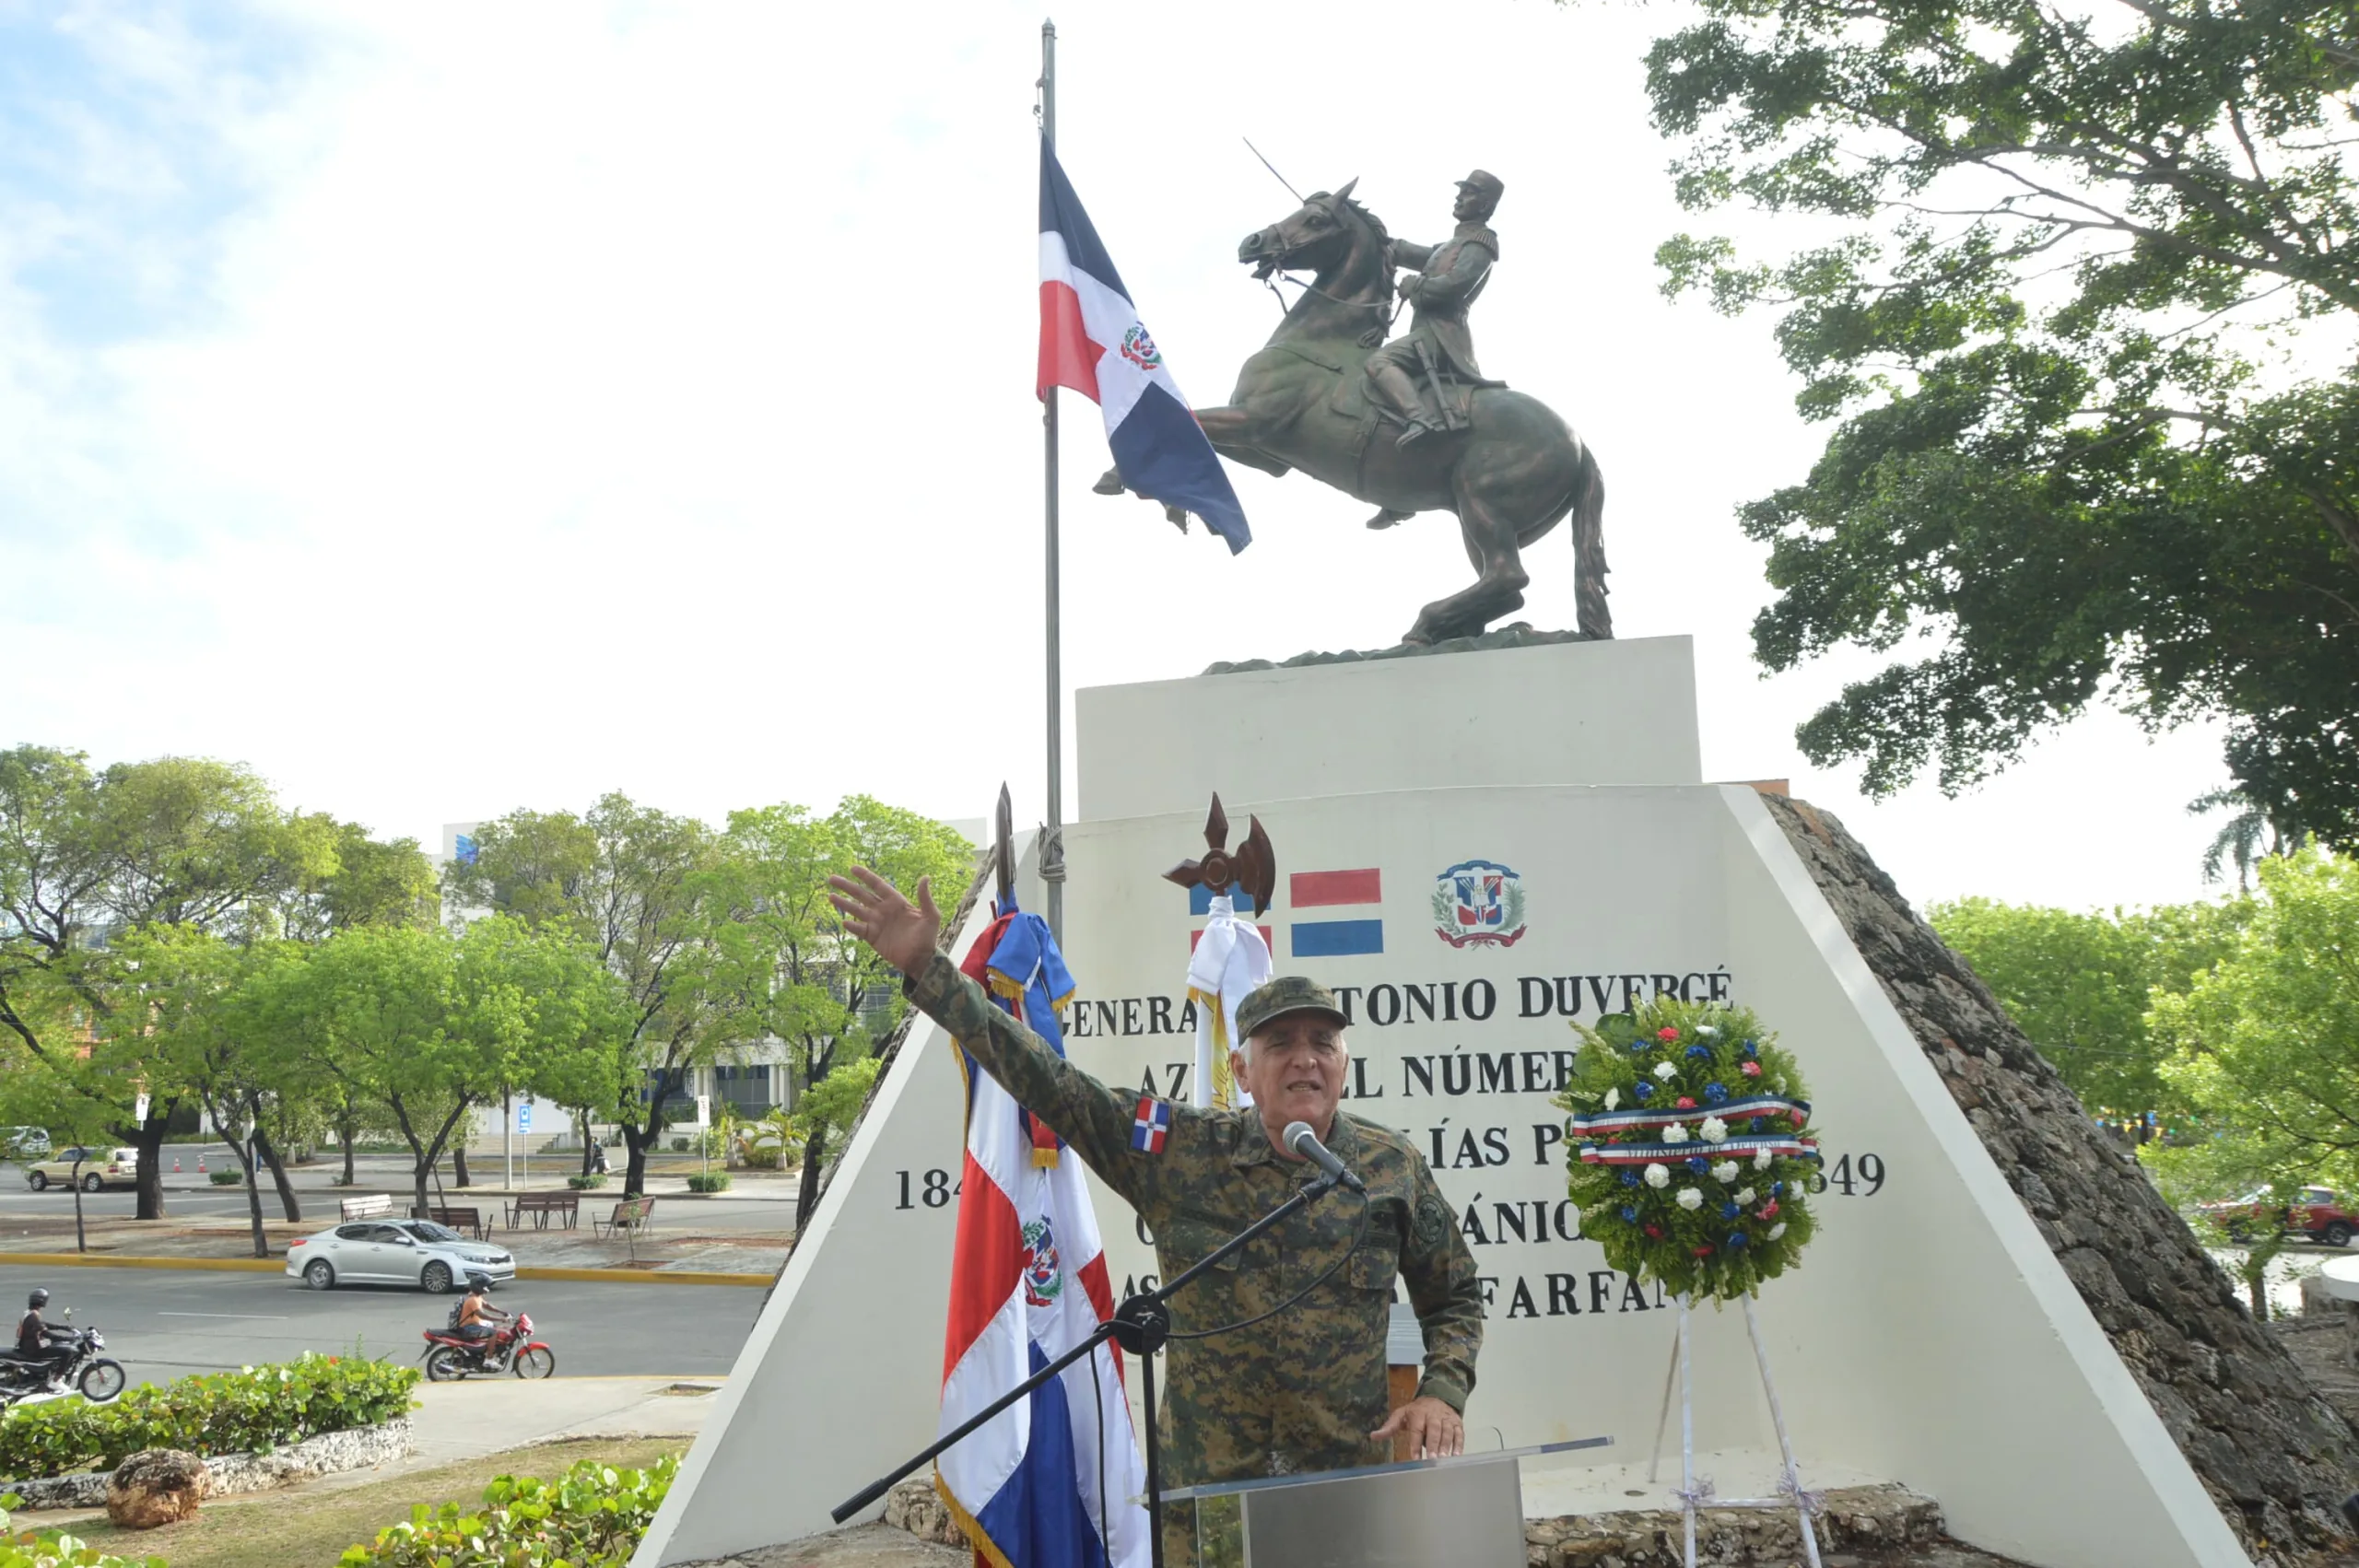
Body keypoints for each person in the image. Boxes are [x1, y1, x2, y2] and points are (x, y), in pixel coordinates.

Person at [827, 866, 1483, 1496]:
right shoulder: (1184, 1153)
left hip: (1341, 1496)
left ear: (1343, 1065)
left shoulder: (1390, 1168)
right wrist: (928, 971)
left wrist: (1441, 1389)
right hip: (1208, 1501)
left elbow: (1454, 1296)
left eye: (1322, 1042)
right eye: (1280, 1044)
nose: (1305, 1058)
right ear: (1243, 1071)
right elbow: (1052, 1086)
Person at [12, 1289, 71, 1388]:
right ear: (43, 1301)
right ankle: (56, 1380)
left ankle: (49, 1373)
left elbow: (44, 1324)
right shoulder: (34, 1316)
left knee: (56, 1346)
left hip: (27, 1346)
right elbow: (45, 1333)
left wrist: (63, 1327)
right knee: (67, 1351)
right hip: (33, 1350)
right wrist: (65, 1338)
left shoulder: (29, 1313)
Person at [452, 1280, 510, 1358]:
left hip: (475, 1323)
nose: (486, 1288)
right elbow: (483, 1316)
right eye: (484, 1286)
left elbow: (487, 1306)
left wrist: (502, 1312)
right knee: (493, 1333)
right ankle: (489, 1359)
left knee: (493, 1326)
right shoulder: (473, 1300)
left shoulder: (477, 1297)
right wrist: (501, 1319)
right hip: (468, 1327)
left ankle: (485, 1348)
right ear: (478, 1287)